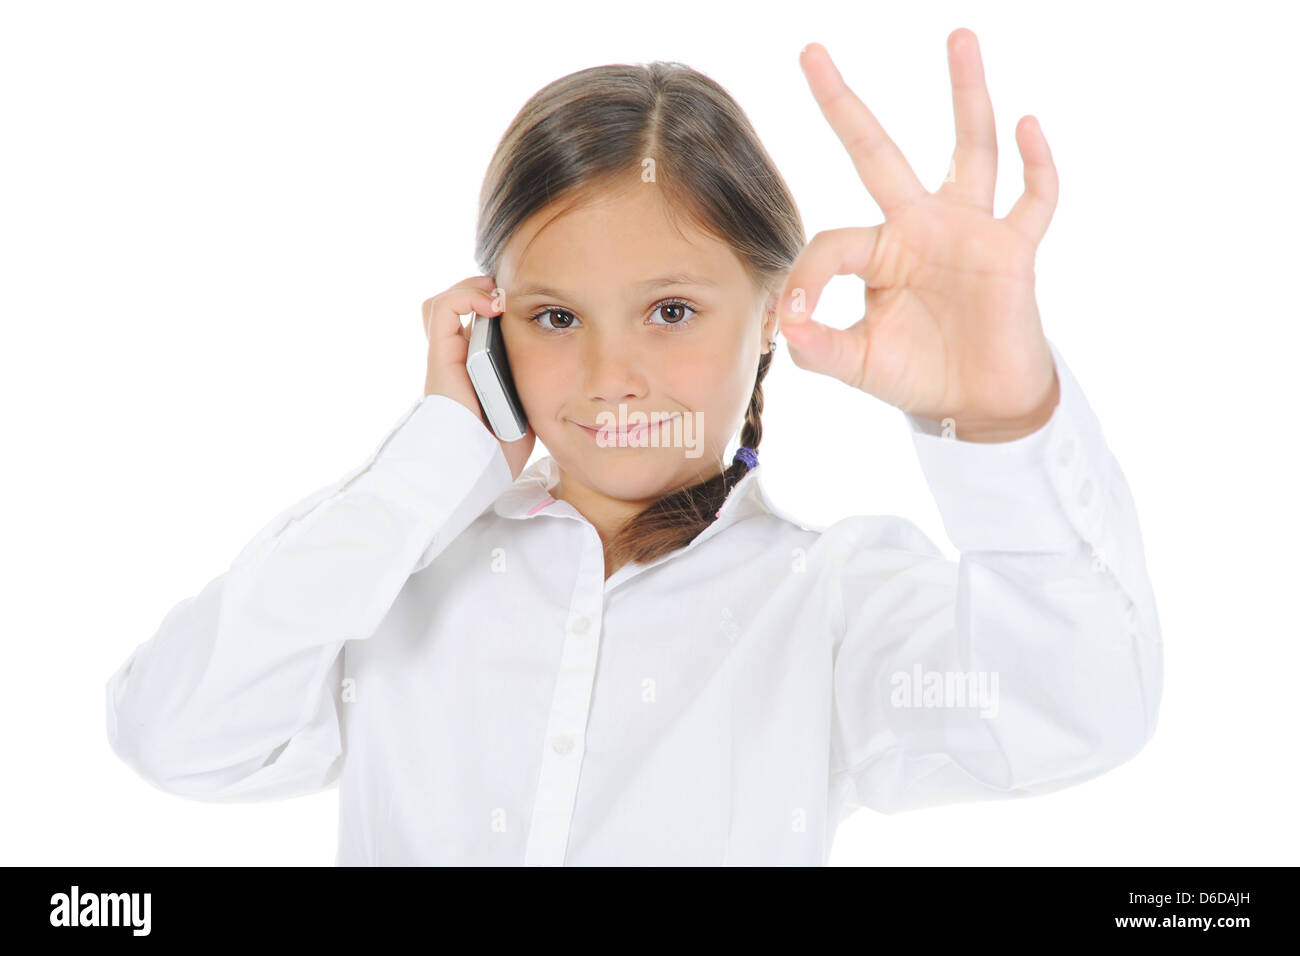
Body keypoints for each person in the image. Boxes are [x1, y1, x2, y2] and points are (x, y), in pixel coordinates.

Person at [105, 32, 1162, 866]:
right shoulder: (394, 584)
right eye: (557, 318)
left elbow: (1078, 706)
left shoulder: (833, 602)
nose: (613, 376)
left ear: (768, 314)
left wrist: (1001, 414)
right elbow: (176, 731)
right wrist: (431, 461)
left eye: (669, 309)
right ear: (488, 326)